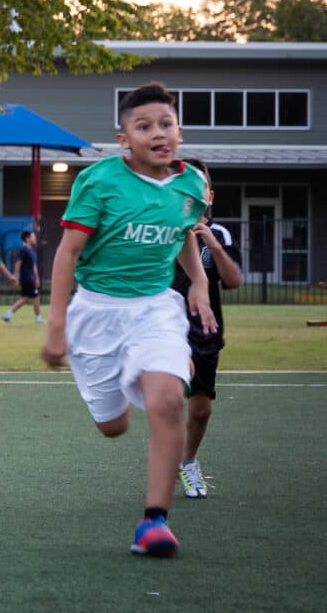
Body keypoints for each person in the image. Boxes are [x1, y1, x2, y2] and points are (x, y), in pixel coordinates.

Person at [41, 82, 214, 558]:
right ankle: (137, 378)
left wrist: (197, 281)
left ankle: (154, 523)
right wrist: (56, 325)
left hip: (156, 308)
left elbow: (183, 233)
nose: (158, 133)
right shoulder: (98, 182)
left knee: (167, 401)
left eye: (166, 124)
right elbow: (67, 254)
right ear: (124, 140)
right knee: (113, 427)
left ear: (178, 132)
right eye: (144, 127)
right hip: (96, 314)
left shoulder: (192, 186)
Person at [168, 156, 242, 500]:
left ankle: (188, 462)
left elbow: (233, 281)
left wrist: (211, 243)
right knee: (169, 395)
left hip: (205, 330)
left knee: (201, 409)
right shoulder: (163, 230)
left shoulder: (220, 233)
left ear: (209, 196)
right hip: (166, 326)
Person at [1, 229, 43, 324]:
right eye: (33, 236)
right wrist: (16, 276)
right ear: (27, 239)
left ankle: (8, 314)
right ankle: (38, 318)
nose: (35, 238)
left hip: (31, 277)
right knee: (34, 296)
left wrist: (37, 278)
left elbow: (34, 266)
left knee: (27, 297)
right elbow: (18, 263)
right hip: (26, 277)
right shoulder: (24, 250)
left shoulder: (31, 251)